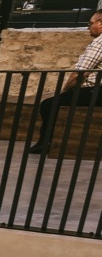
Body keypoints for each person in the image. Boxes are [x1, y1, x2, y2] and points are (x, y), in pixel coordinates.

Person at [27, 11, 102, 153]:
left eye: (90, 23)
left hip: (94, 91)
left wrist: (66, 89)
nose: (88, 27)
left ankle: (46, 142)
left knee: (48, 105)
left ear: (100, 23)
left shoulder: (99, 43)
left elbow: (79, 74)